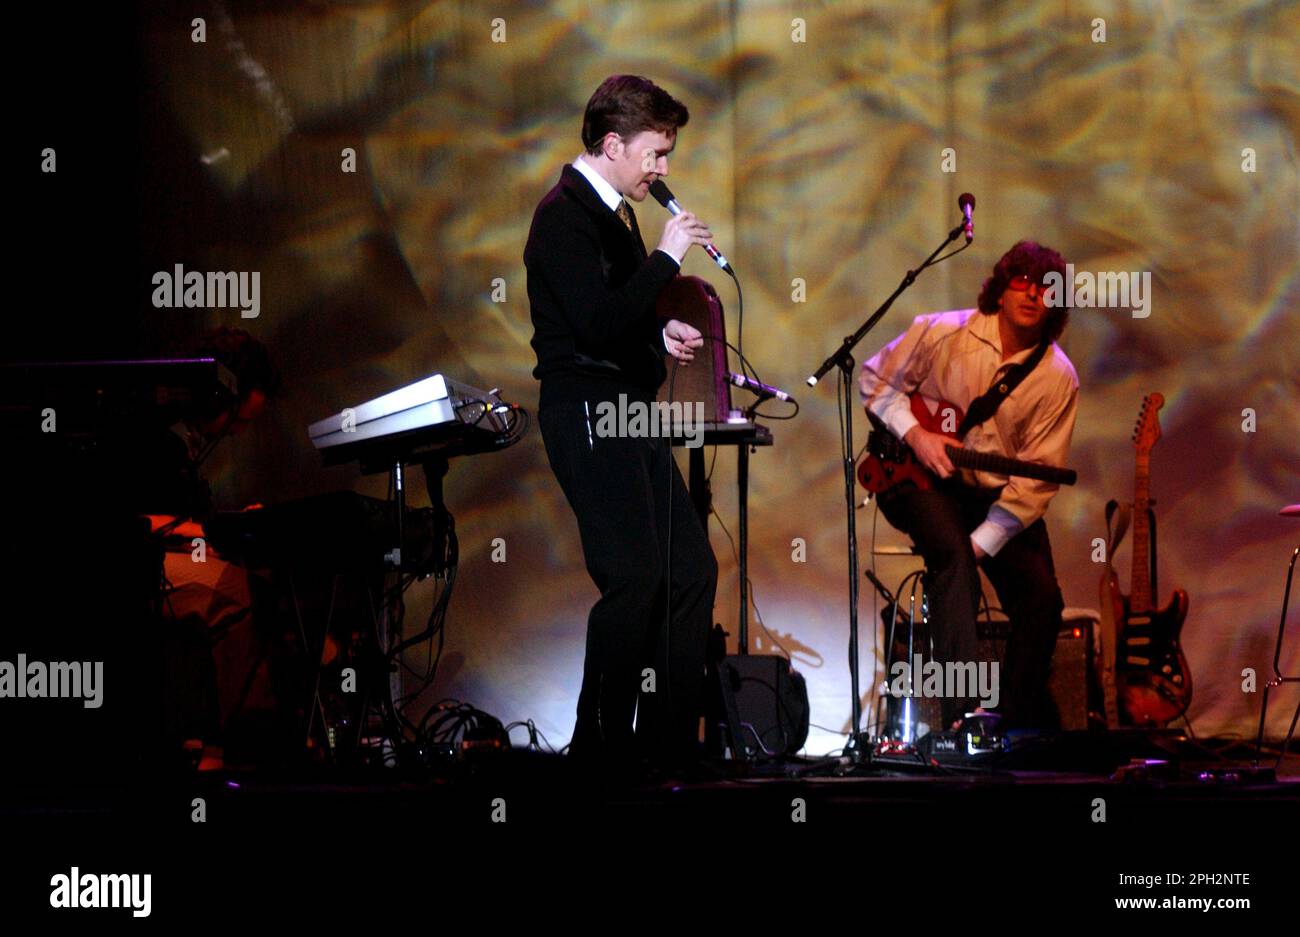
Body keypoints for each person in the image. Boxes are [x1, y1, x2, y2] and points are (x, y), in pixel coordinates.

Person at [525, 75, 720, 773]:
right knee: (634, 575)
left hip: (625, 407)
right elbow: (595, 322)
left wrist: (658, 333)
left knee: (690, 568)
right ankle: (601, 746)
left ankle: (664, 743)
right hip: (586, 410)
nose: (663, 169)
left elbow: (617, 319)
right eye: (656, 153)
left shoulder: (613, 212)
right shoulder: (564, 215)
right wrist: (668, 259)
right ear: (614, 144)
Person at [860, 241, 1079, 732]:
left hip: (994, 498)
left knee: (1042, 598)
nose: (1032, 294)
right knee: (953, 561)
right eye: (1021, 280)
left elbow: (1034, 483)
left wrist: (985, 541)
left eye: (1046, 288)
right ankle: (962, 720)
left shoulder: (1058, 378)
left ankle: (1011, 721)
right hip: (918, 479)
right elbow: (875, 380)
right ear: (1000, 289)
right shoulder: (941, 332)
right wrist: (917, 435)